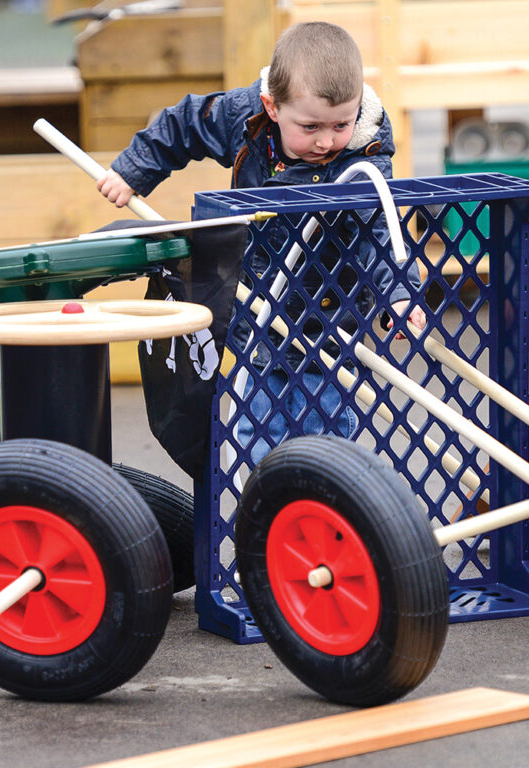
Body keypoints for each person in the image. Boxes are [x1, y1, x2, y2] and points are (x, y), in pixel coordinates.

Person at [98, 21, 425, 461]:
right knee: (256, 431)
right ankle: (262, 512)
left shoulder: (362, 155)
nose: (326, 141)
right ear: (272, 107)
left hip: (328, 326)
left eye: (340, 124)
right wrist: (134, 169)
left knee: (323, 436)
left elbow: (380, 233)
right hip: (257, 313)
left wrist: (397, 295)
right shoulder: (243, 117)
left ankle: (320, 508)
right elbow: (184, 124)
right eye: (309, 127)